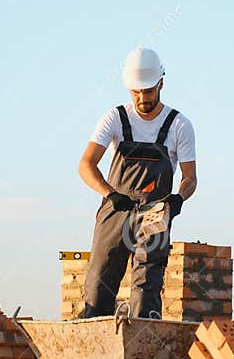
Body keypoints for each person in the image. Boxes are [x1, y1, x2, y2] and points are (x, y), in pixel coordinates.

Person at [78, 48, 197, 318]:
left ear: (161, 83)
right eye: (136, 92)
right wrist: (109, 194)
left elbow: (190, 178)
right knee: (99, 286)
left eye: (149, 91)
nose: (143, 98)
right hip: (116, 208)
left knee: (146, 289)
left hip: (154, 212)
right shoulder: (115, 118)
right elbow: (86, 165)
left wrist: (178, 199)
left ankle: (141, 352)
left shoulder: (179, 125)